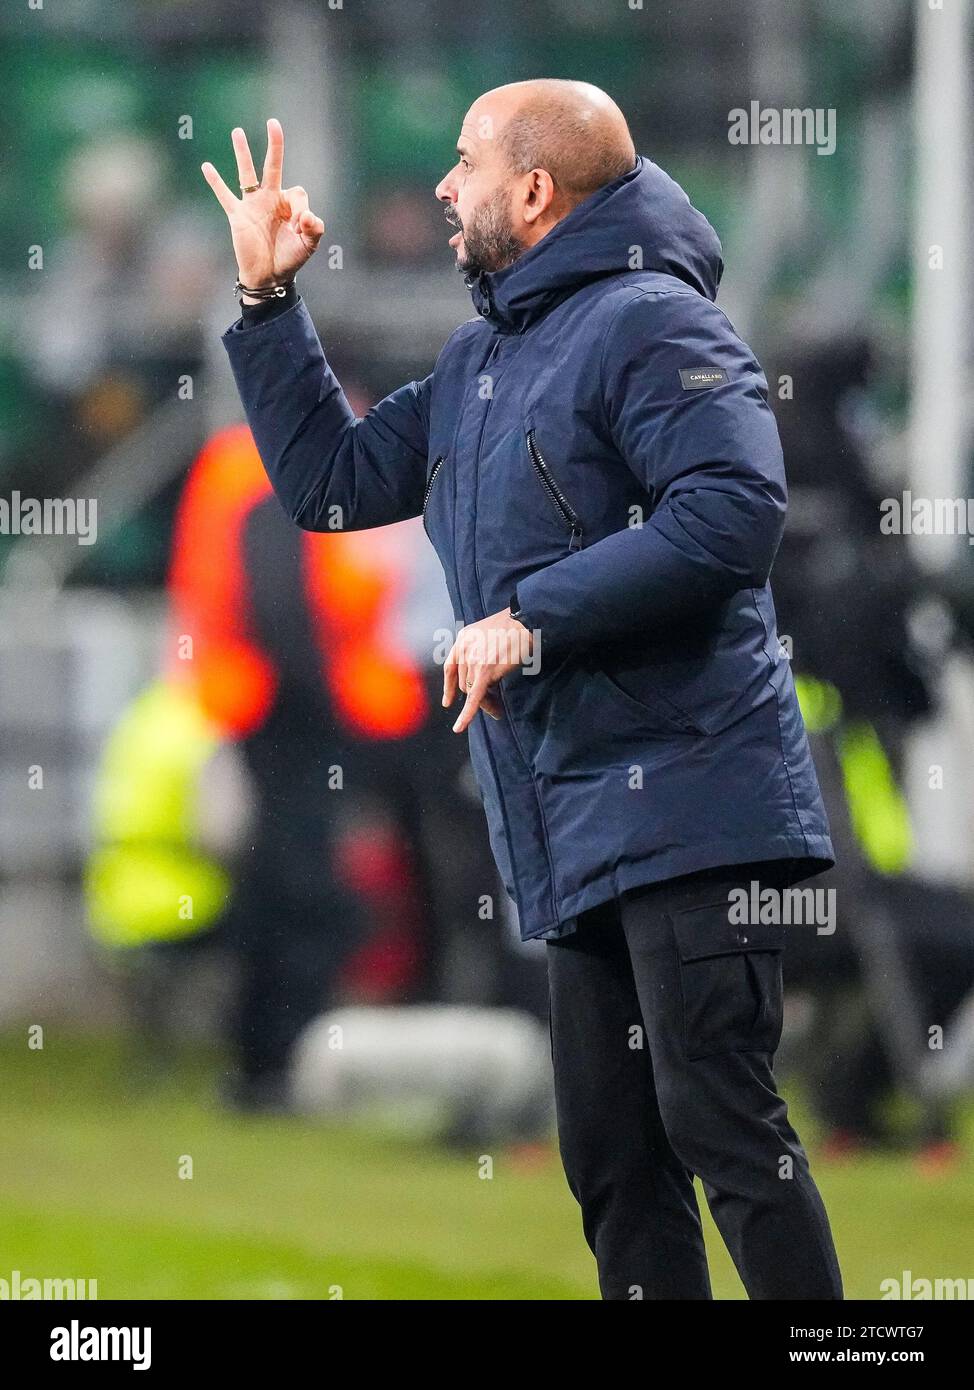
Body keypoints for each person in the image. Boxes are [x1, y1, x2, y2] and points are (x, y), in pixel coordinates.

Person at [202, 79, 843, 1300]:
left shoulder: (654, 320)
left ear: (534, 192)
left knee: (718, 1125)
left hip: (691, 803)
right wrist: (269, 301)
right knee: (611, 1158)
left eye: (463, 163)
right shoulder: (481, 358)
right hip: (571, 814)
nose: (442, 187)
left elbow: (730, 513)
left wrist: (530, 617)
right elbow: (328, 484)